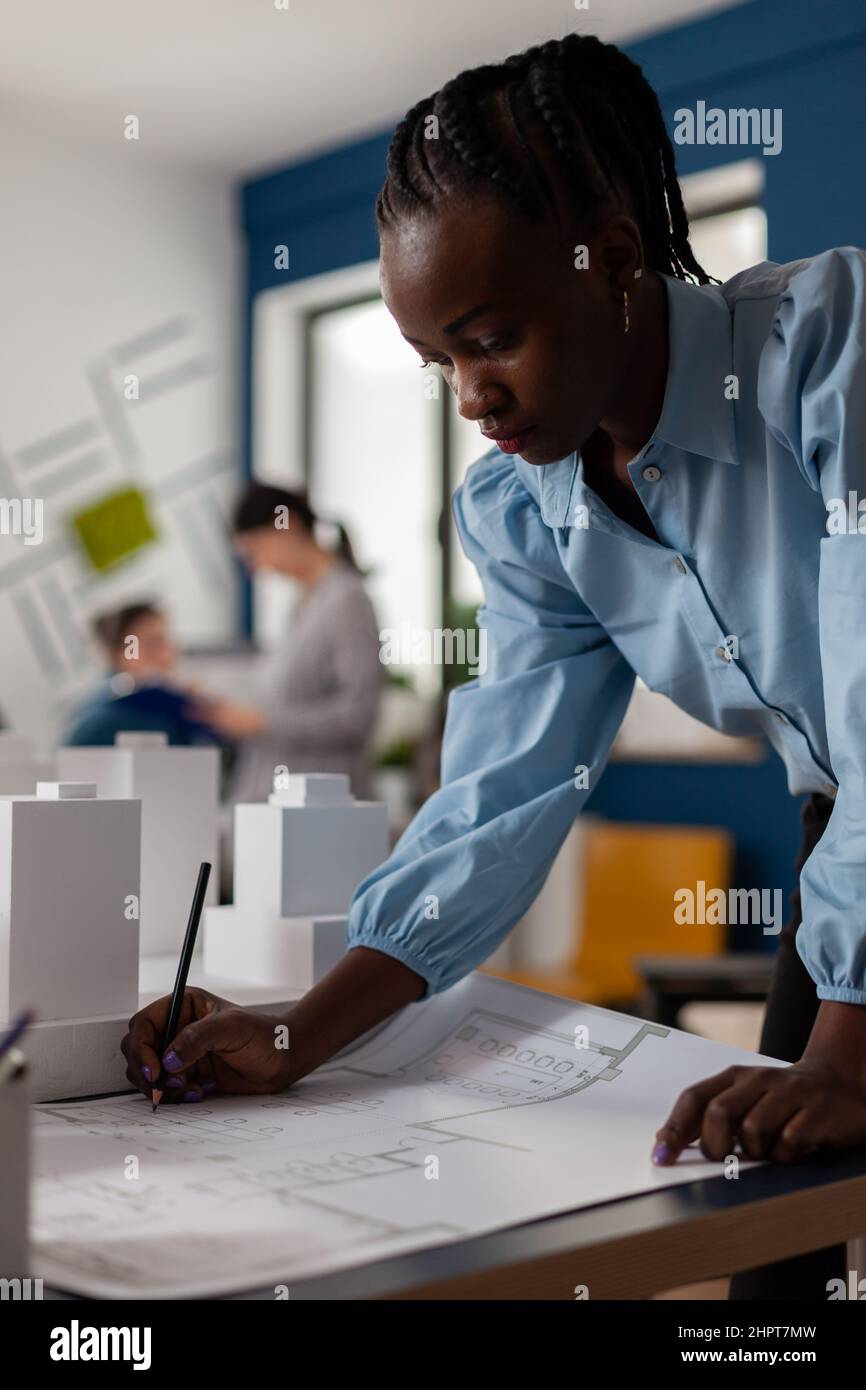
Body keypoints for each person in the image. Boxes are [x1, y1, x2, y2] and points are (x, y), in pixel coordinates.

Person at [123, 34, 866, 1298]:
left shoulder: (820, 354)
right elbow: (503, 791)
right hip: (836, 819)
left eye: (490, 338)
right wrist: (302, 1029)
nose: (471, 395)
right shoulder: (528, 511)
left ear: (616, 261)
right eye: (438, 365)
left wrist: (842, 1054)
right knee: (767, 1229)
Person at [195, 483, 384, 804]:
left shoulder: (346, 602)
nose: (255, 568)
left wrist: (261, 723)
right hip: (277, 805)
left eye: (253, 551)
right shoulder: (302, 606)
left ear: (287, 526)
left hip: (321, 813)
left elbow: (357, 718)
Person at [63, 602, 215, 746]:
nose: (166, 656)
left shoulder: (167, 705)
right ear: (117, 654)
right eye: (152, 645)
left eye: (167, 643)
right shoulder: (112, 717)